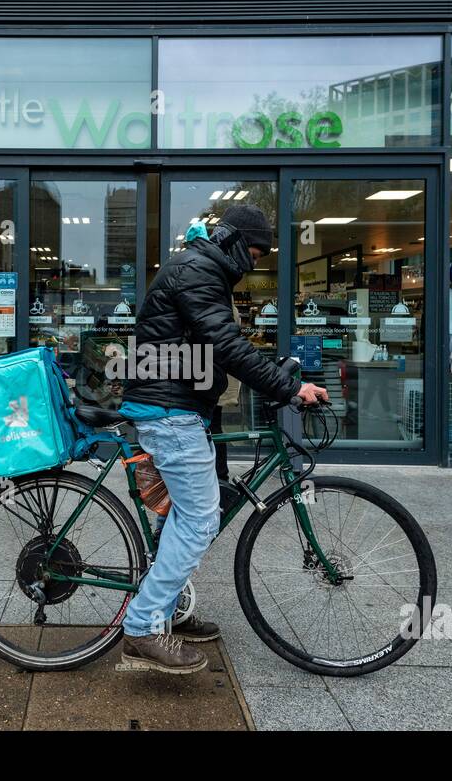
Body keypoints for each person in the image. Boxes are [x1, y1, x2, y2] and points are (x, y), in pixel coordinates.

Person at [117, 203, 328, 674]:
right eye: (253, 250)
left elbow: (217, 341)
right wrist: (290, 387)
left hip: (181, 407)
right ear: (232, 240)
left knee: (181, 515)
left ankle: (166, 608)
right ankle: (143, 627)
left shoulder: (201, 267)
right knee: (197, 520)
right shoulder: (197, 270)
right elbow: (225, 343)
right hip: (168, 410)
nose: (254, 260)